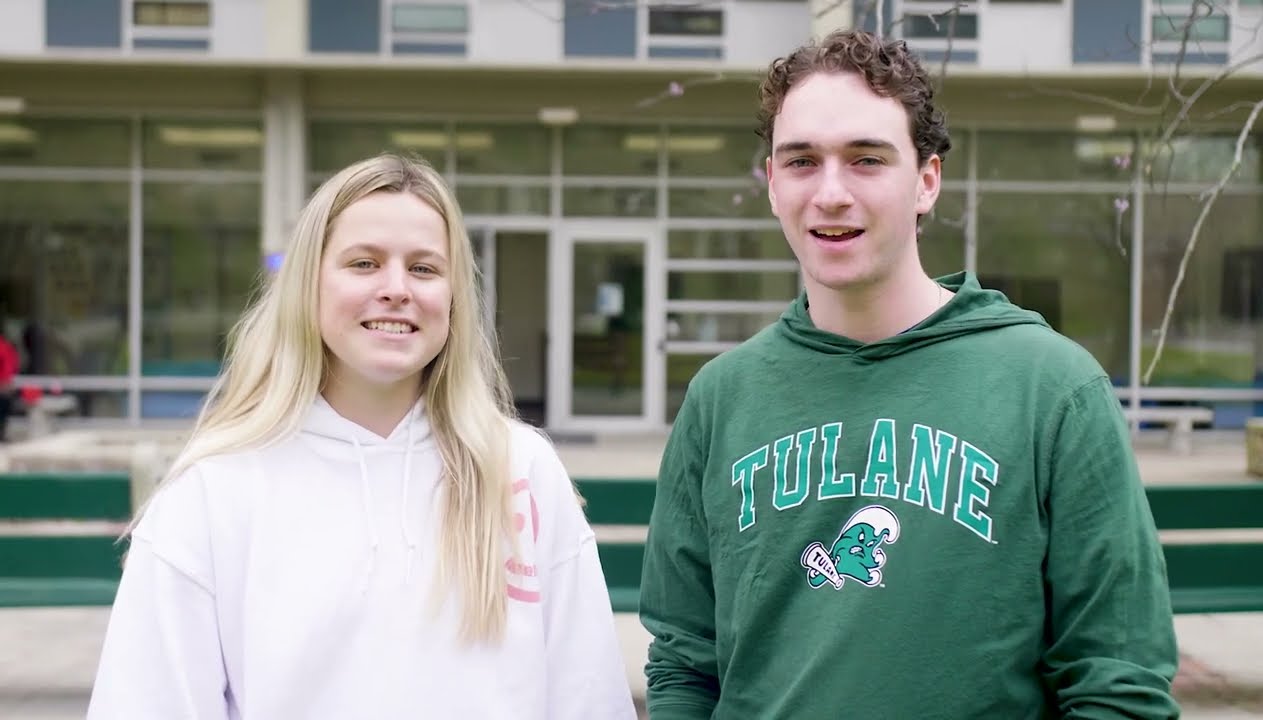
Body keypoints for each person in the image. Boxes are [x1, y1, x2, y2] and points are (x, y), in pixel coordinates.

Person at [639, 29, 1180, 719]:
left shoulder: (1052, 389)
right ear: (773, 183)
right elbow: (685, 662)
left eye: (866, 159)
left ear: (927, 181)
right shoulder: (722, 397)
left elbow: (1119, 678)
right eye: (802, 161)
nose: (831, 193)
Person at [88, 154, 637, 719]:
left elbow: (587, 696)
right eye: (364, 263)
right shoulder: (212, 492)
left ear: (454, 297)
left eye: (423, 268)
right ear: (309, 284)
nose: (396, 289)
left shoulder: (521, 470)